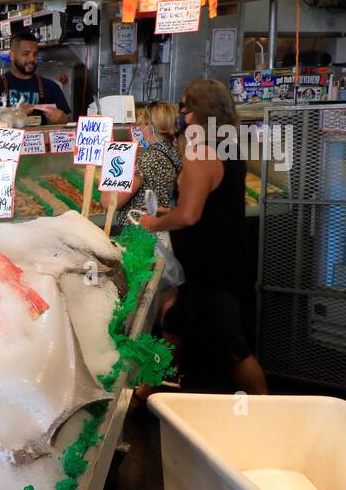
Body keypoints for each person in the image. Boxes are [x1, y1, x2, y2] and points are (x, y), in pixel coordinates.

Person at [141, 79, 267, 395]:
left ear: (198, 113)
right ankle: (146, 392)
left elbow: (189, 215)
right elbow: (207, 205)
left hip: (211, 269)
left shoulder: (200, 154)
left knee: (233, 346)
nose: (181, 114)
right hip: (219, 261)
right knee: (175, 326)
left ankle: (265, 406)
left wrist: (152, 223)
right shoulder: (228, 150)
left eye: (184, 107)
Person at [105, 101, 184, 226]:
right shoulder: (177, 152)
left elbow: (111, 203)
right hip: (165, 228)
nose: (139, 127)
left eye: (141, 122)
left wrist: (109, 171)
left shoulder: (148, 160)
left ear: (150, 126)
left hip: (142, 233)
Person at [0, 28, 72, 124]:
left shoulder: (50, 87)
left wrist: (62, 119)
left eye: (35, 54)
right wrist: (11, 116)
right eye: (26, 54)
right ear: (12, 55)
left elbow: (69, 120)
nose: (32, 59)